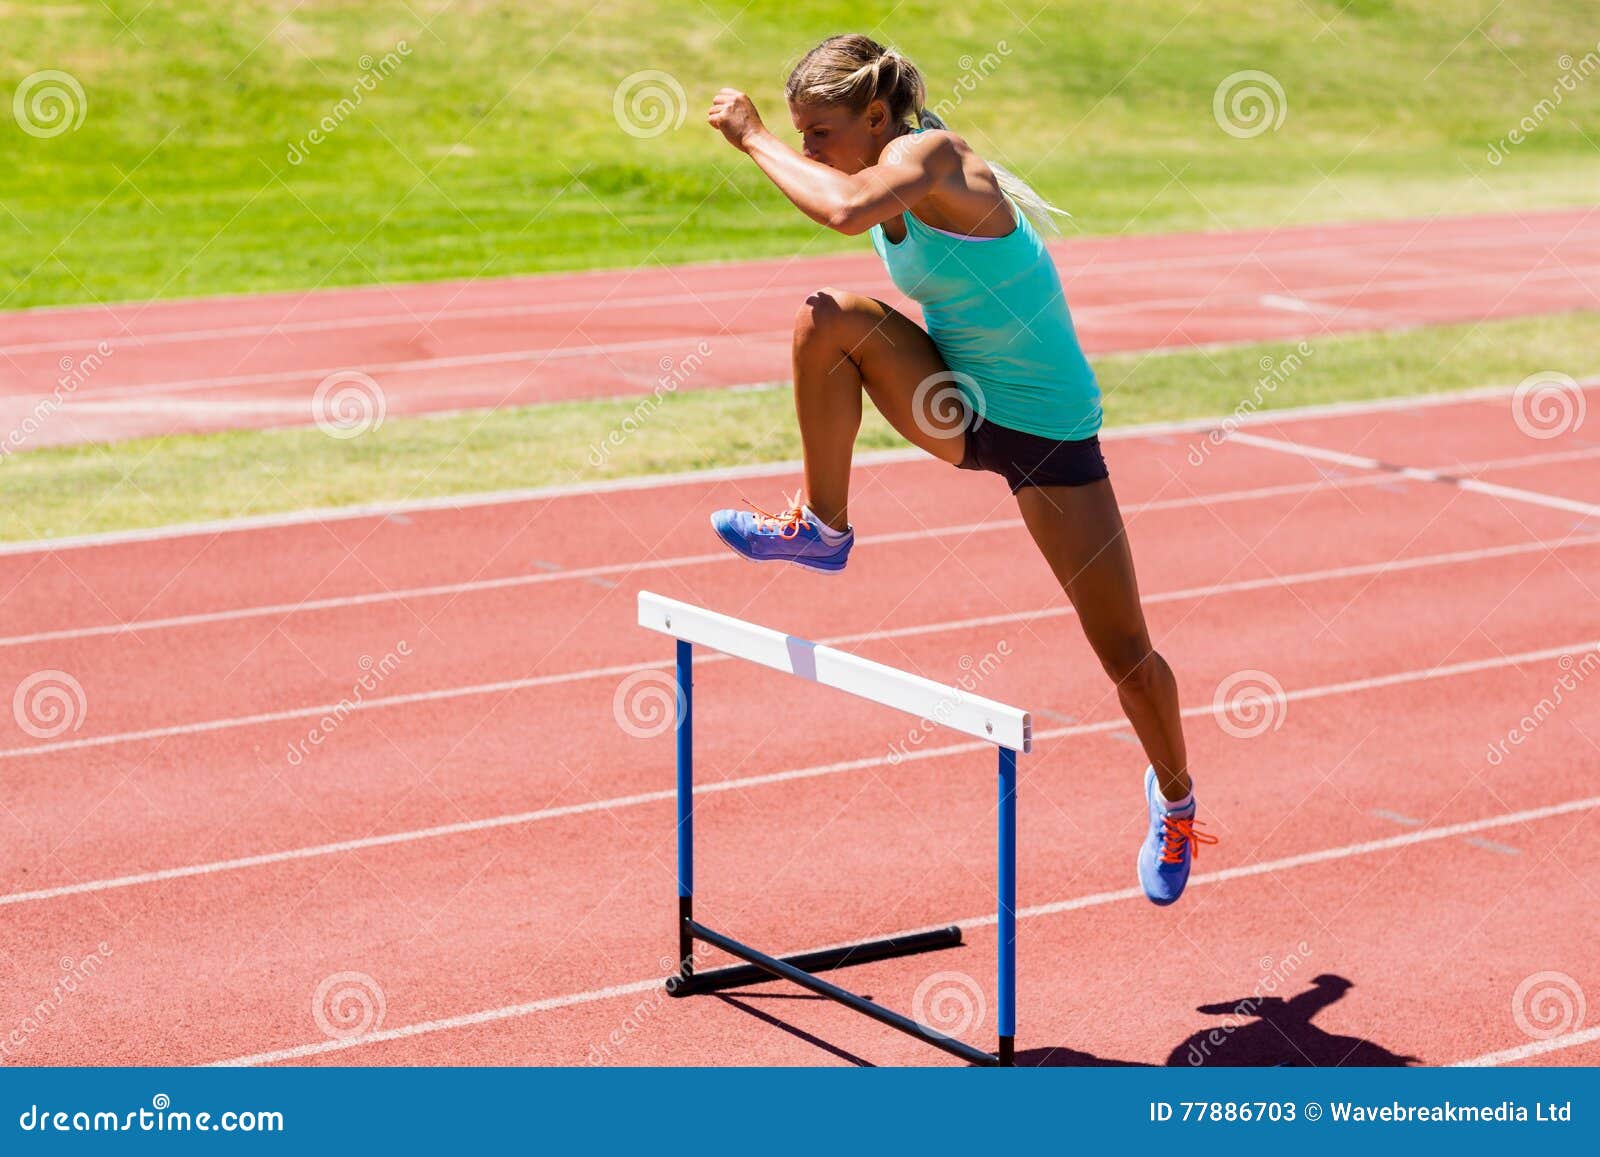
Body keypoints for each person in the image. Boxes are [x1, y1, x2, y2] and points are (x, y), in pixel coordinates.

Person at [704, 34, 1216, 904]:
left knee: (1125, 654)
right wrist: (778, 143)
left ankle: (1176, 798)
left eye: (817, 134)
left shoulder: (933, 158)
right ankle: (824, 528)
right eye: (798, 136)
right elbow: (845, 202)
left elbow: (842, 210)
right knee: (826, 319)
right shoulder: (873, 172)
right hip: (957, 406)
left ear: (875, 118)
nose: (806, 152)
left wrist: (752, 138)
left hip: (1048, 434)